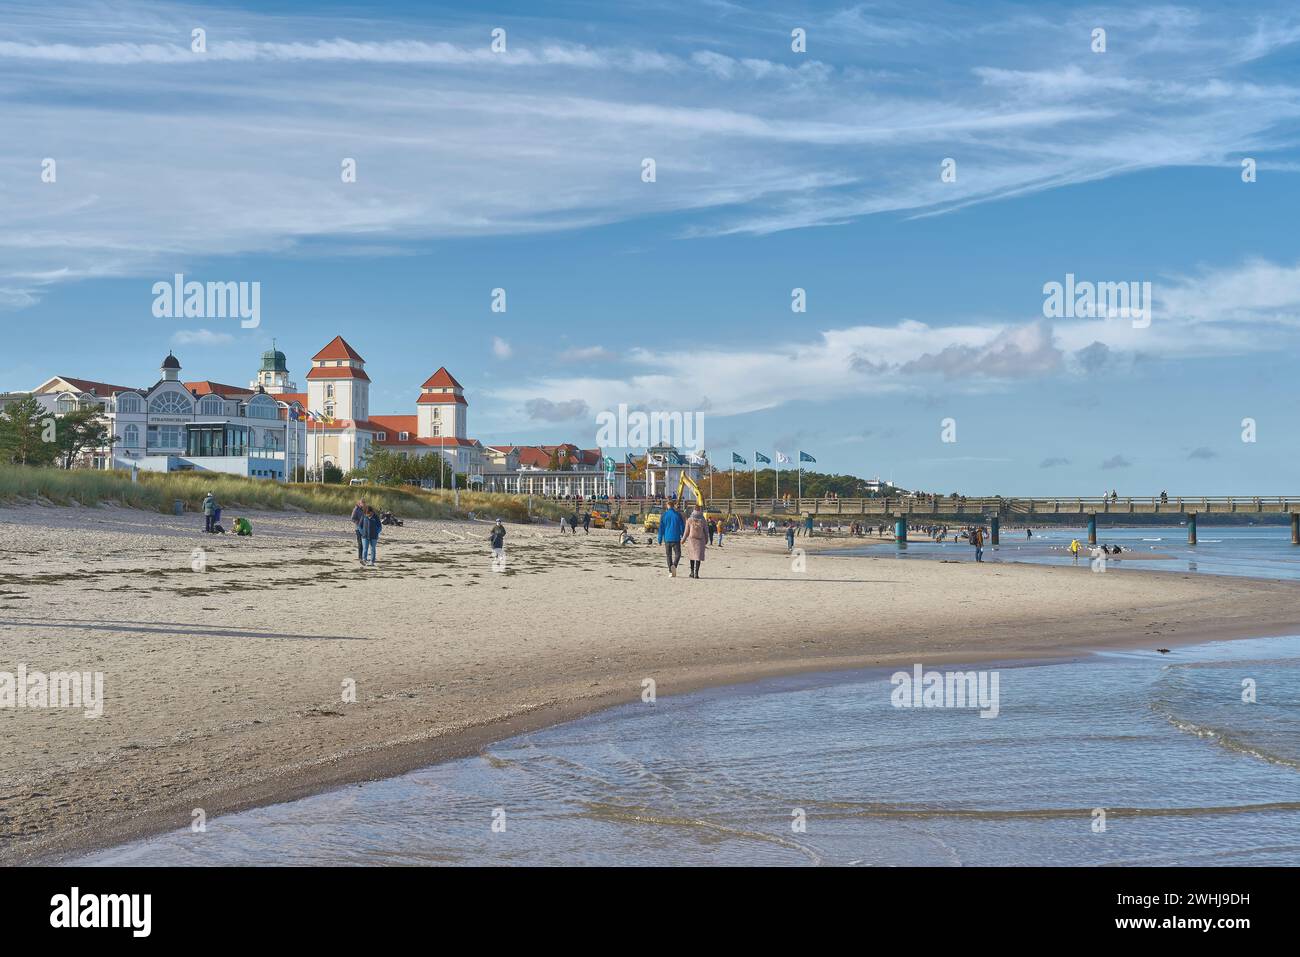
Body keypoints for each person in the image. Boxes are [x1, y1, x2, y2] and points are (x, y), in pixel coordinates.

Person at [657, 502, 684, 577]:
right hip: (676, 538)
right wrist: (683, 535)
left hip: (667, 538)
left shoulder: (664, 515)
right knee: (678, 554)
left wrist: (659, 539)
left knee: (669, 555)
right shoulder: (678, 515)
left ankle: (670, 571)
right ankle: (674, 566)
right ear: (673, 506)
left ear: (667, 506)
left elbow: (661, 529)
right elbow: (682, 526)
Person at [683, 507, 708, 579]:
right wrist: (706, 539)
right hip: (700, 540)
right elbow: (706, 531)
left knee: (692, 556)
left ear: (694, 510)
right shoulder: (703, 519)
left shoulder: (690, 519)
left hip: (691, 540)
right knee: (698, 557)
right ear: (700, 510)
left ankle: (691, 572)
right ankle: (696, 573)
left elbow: (686, 531)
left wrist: (683, 540)